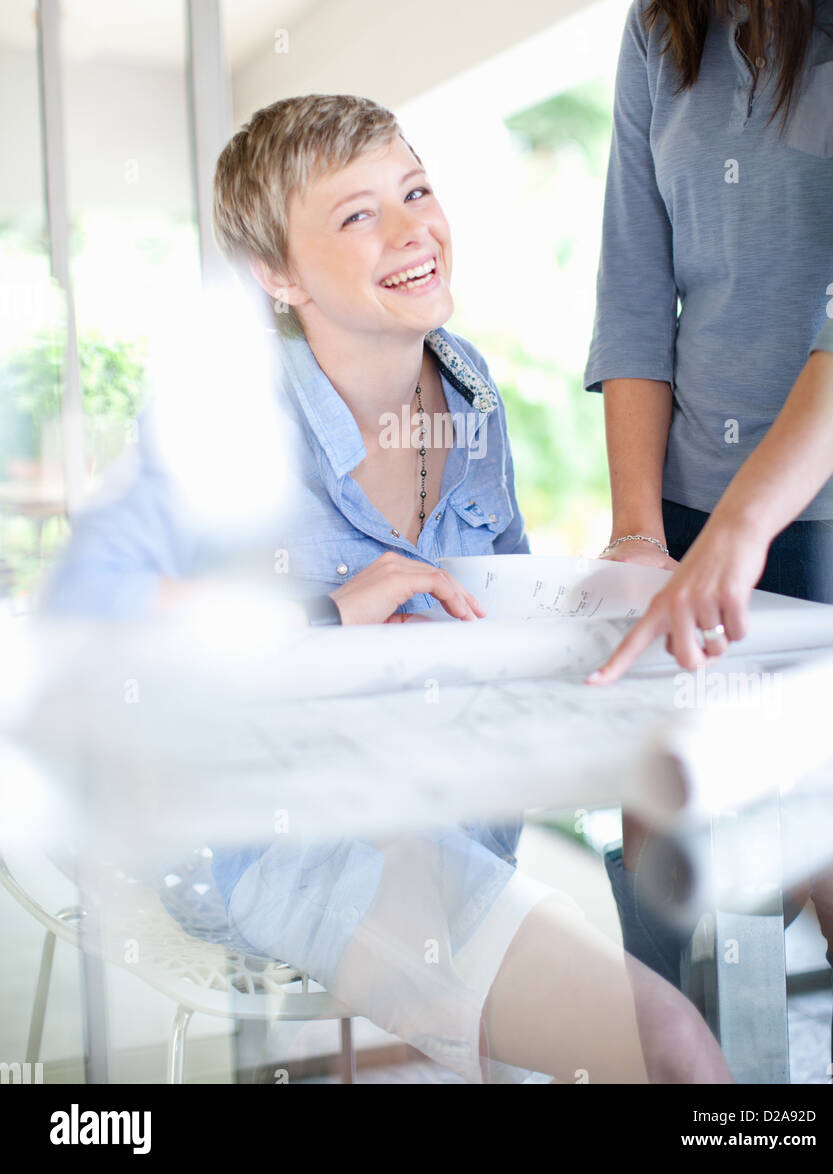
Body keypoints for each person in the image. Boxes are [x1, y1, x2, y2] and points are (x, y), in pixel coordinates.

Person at [40, 93, 730, 1084]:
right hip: (284, 843)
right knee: (676, 1052)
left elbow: (496, 591)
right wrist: (323, 612)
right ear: (276, 273)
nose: (412, 230)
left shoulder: (468, 386)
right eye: (357, 214)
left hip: (457, 828)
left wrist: (584, 604)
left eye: (415, 191)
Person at [582, 0, 833, 1074]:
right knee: (661, 823)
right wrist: (640, 530)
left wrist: (745, 528)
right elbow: (633, 301)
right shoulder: (659, 33)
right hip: (698, 515)